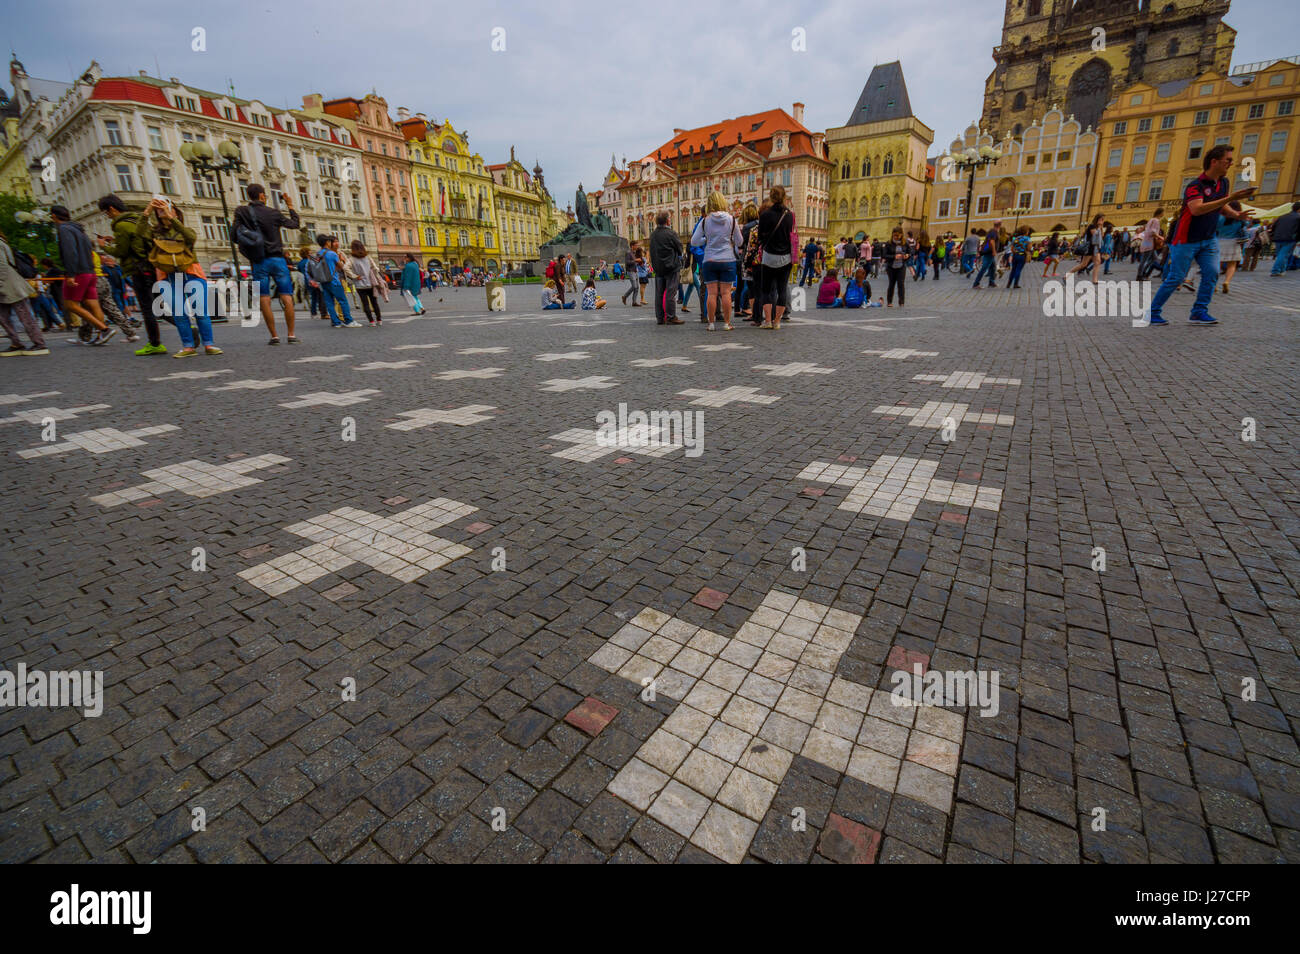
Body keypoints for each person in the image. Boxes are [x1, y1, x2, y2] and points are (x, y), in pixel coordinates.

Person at [1147, 145, 1255, 327]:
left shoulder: (1223, 182)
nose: (1231, 163)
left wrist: (1235, 215)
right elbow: (1196, 209)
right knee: (1176, 278)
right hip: (1185, 238)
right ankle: (1152, 312)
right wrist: (1230, 199)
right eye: (1227, 160)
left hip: (1209, 238)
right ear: (1214, 161)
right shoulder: (1195, 186)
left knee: (1212, 272)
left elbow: (1220, 206)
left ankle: (1199, 311)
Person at [139, 200, 219, 357]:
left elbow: (191, 238)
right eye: (159, 210)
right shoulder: (155, 232)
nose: (162, 211)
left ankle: (209, 344)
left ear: (176, 212)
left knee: (200, 311)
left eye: (168, 208)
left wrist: (172, 218)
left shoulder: (184, 229)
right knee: (179, 313)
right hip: (167, 275)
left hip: (192, 273)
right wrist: (147, 211)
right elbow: (140, 233)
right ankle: (188, 346)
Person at [233, 184, 300, 344]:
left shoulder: (242, 212)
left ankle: (274, 336)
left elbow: (234, 235)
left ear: (249, 196)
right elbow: (294, 224)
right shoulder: (273, 213)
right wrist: (289, 205)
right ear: (262, 196)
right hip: (277, 259)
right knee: (286, 296)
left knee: (264, 298)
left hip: (258, 260)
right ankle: (291, 335)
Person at [51, 205, 113, 344]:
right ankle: (101, 335)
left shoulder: (64, 229)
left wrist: (71, 274)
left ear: (54, 216)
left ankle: (104, 329)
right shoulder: (80, 230)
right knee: (93, 304)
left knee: (70, 304)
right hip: (90, 272)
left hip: (77, 271)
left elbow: (70, 252)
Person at [688, 193, 742, 332]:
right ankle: (726, 323)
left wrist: (706, 240)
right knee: (726, 293)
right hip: (727, 259)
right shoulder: (731, 220)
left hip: (710, 259)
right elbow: (740, 241)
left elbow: (694, 241)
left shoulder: (705, 221)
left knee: (711, 293)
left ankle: (711, 324)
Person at [0, 229, 49, 355]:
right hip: (8, 284)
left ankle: (39, 343)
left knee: (24, 315)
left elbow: (2, 266)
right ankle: (16, 343)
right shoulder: (2, 242)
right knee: (4, 317)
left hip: (9, 284)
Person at [756, 186, 795, 330]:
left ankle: (767, 320)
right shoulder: (789, 215)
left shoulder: (765, 215)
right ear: (784, 196)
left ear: (771, 197)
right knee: (782, 289)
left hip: (769, 257)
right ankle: (777, 321)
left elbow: (760, 237)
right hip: (785, 257)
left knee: (766, 290)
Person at [313, 234, 359, 327]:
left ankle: (335, 322)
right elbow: (341, 266)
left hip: (323, 281)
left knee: (330, 302)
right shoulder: (332, 254)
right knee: (342, 300)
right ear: (327, 242)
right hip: (334, 280)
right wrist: (341, 260)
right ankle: (349, 321)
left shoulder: (318, 254)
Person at [649, 211, 684, 325]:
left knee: (659, 293)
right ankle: (671, 316)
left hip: (658, 267)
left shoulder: (653, 235)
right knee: (670, 292)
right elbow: (679, 248)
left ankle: (660, 317)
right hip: (671, 266)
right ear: (668, 220)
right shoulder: (671, 233)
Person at [348, 241, 383, 325]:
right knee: (374, 302)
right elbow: (376, 268)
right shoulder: (368, 257)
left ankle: (371, 321)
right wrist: (373, 274)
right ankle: (379, 320)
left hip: (359, 285)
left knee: (365, 304)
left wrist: (354, 276)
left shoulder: (351, 259)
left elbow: (346, 268)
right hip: (370, 283)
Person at [1216, 210, 1245, 294]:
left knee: (1218, 264)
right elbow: (1245, 227)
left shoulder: (1221, 218)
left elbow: (1215, 227)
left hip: (1220, 241)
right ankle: (1226, 282)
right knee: (1232, 265)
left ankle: (1214, 284)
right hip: (1233, 242)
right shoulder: (1239, 220)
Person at [1069, 214, 1105, 279]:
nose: (1102, 221)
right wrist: (1099, 227)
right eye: (1101, 219)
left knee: (1098, 262)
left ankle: (1095, 280)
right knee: (1083, 264)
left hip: (1096, 248)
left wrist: (1101, 227)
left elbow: (1102, 236)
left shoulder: (1098, 227)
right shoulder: (1092, 226)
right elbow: (1096, 236)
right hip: (1090, 248)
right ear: (1097, 219)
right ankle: (1066, 276)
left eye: (1103, 220)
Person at [1269, 202, 1299, 277]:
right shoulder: (1298, 217)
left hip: (1278, 238)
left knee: (1281, 255)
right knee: (1283, 255)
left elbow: (1273, 227)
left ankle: (1282, 270)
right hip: (1290, 238)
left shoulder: (1282, 216)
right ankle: (1275, 270)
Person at [883, 228, 909, 305]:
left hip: (901, 266)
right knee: (892, 284)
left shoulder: (905, 243)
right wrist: (894, 256)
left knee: (901, 284)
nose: (896, 237)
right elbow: (884, 255)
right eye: (894, 235)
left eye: (898, 235)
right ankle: (889, 302)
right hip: (891, 267)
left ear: (901, 235)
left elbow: (911, 251)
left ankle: (901, 302)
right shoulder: (888, 243)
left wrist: (908, 255)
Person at [1136, 215, 1163, 280]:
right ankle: (1140, 275)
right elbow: (1153, 233)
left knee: (1154, 259)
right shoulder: (1151, 226)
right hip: (1148, 245)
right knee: (1144, 261)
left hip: (1151, 245)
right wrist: (1160, 237)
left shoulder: (1147, 229)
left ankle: (1144, 273)